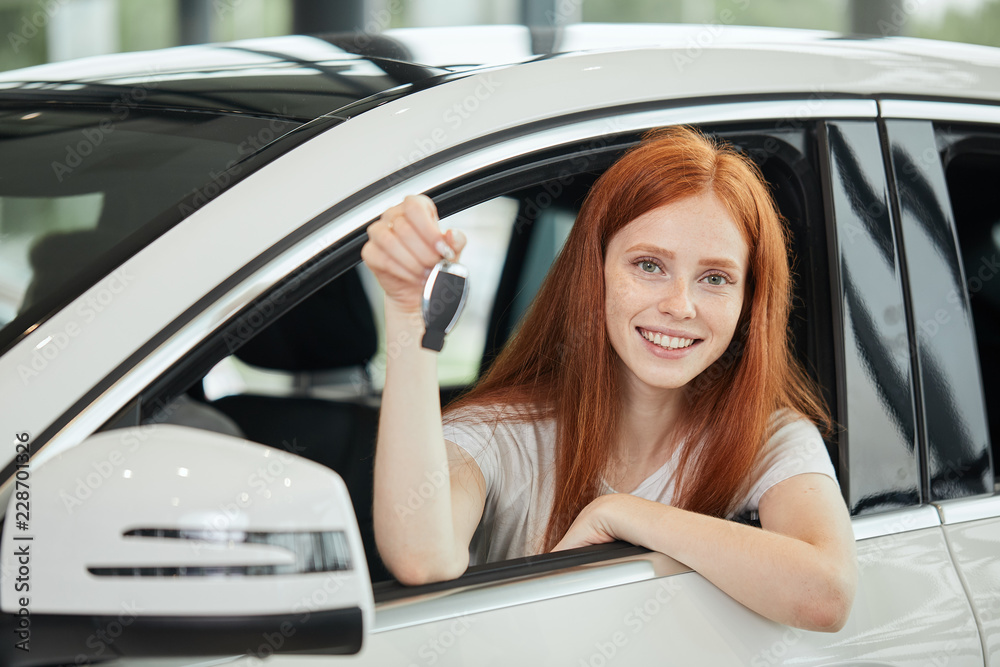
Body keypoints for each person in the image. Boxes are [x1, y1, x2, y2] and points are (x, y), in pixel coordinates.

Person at [362, 126, 857, 632]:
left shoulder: (767, 437)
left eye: (716, 279)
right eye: (648, 265)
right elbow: (423, 558)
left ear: (748, 299)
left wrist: (621, 513)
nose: (680, 306)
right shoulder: (500, 431)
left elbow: (826, 595)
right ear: (593, 272)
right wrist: (408, 311)